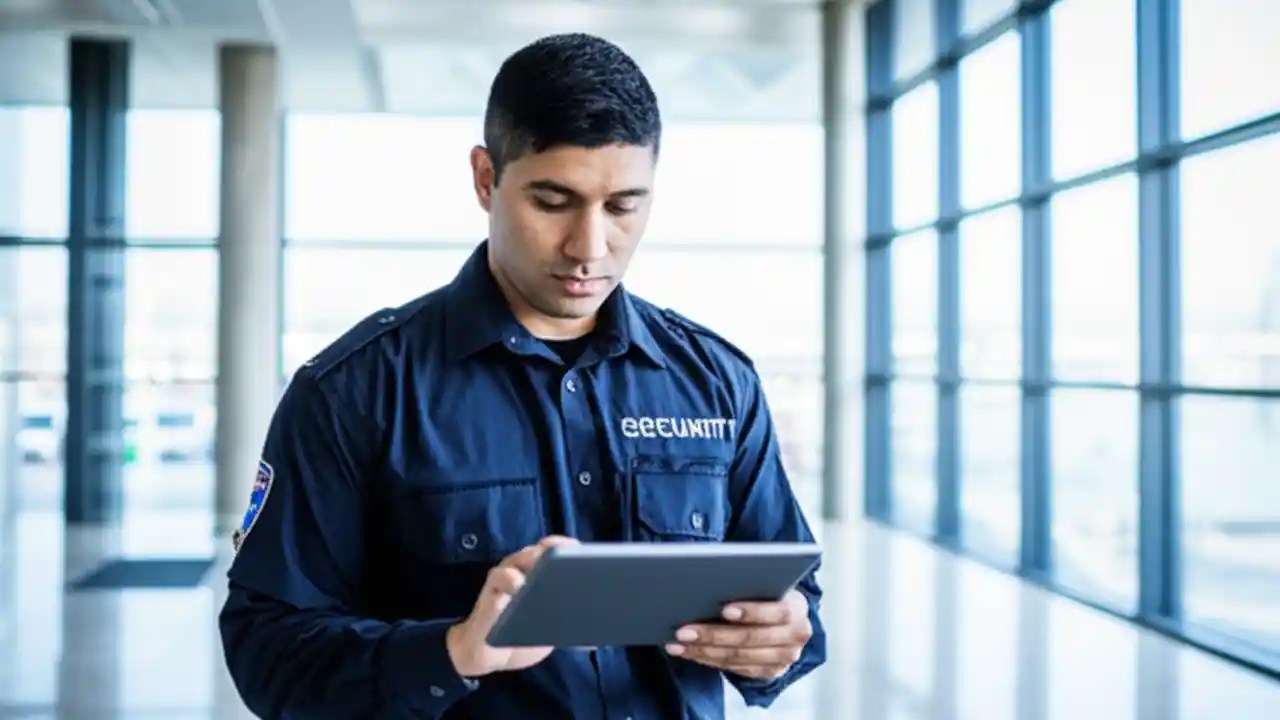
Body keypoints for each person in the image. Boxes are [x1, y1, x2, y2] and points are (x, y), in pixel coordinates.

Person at [219, 32, 826, 719]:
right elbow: (267, 649)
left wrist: (783, 640)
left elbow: (795, 607)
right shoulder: (354, 393)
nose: (590, 247)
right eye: (552, 201)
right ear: (486, 179)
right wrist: (450, 652)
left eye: (624, 205)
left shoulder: (717, 381)